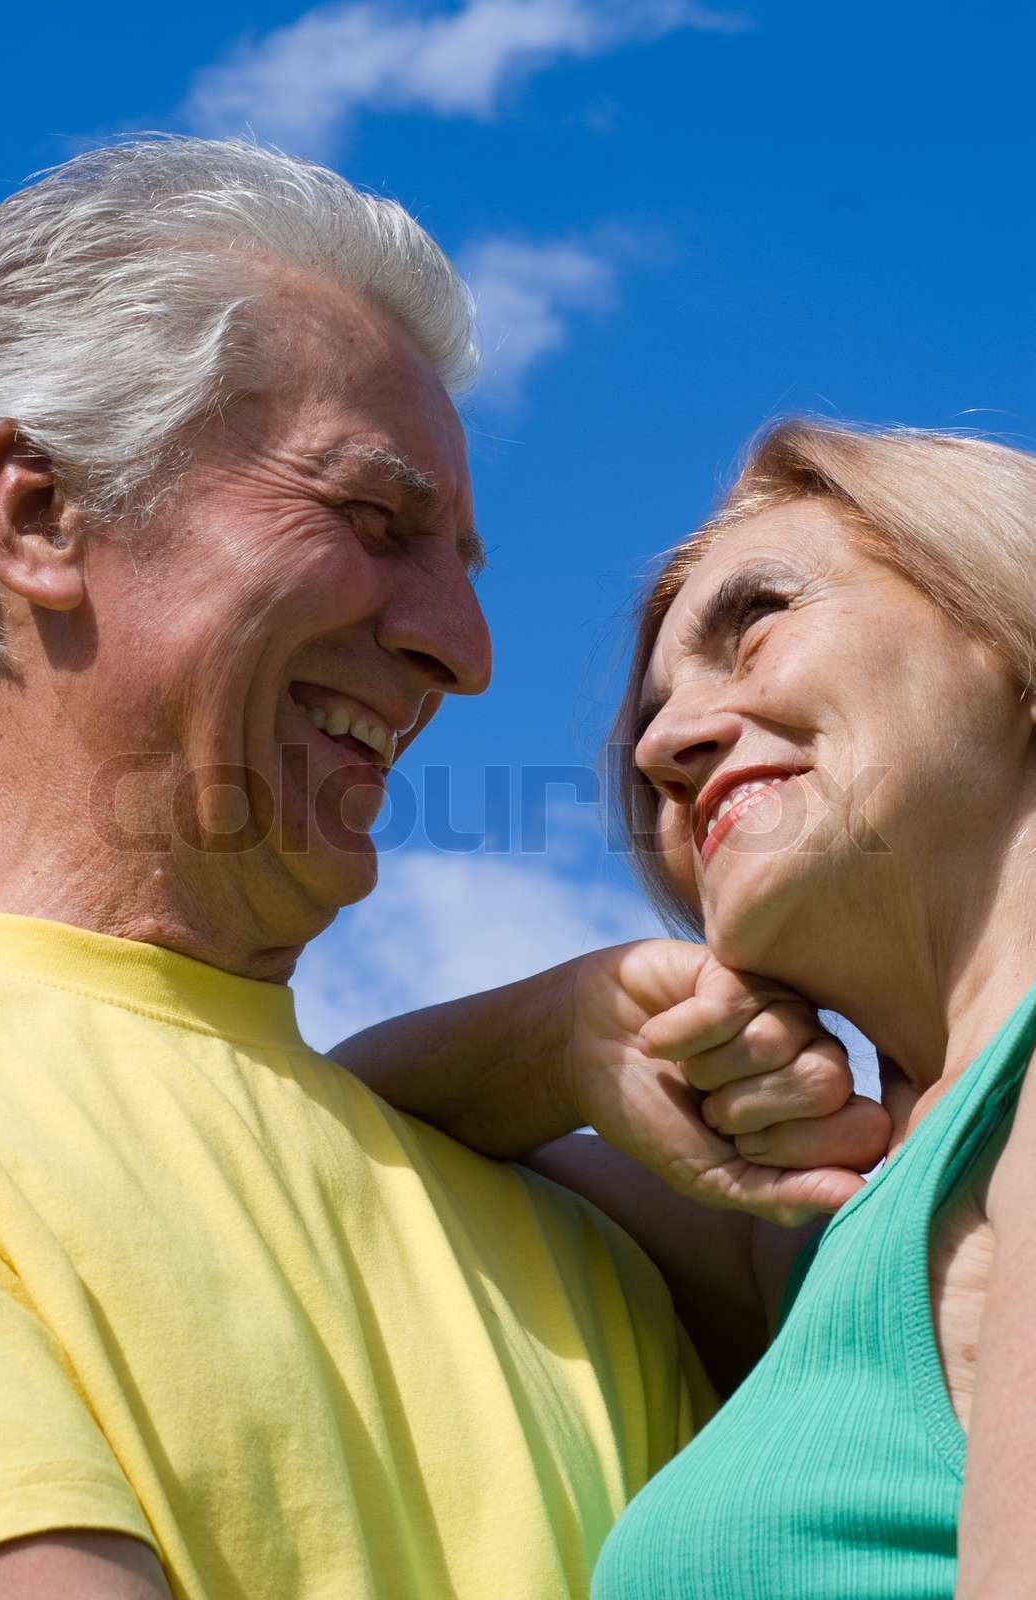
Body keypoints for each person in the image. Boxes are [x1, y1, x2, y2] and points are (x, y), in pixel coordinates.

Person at [0, 138, 878, 1600]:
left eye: (461, 561)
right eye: (370, 522)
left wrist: (541, 1047)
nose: (464, 651)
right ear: (40, 512)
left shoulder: (604, 1246)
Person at [357, 420, 1036, 1598]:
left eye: (759, 619)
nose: (667, 744)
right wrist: (570, 1036)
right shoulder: (822, 1240)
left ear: (1008, 631)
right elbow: (323, 1125)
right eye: (654, 719)